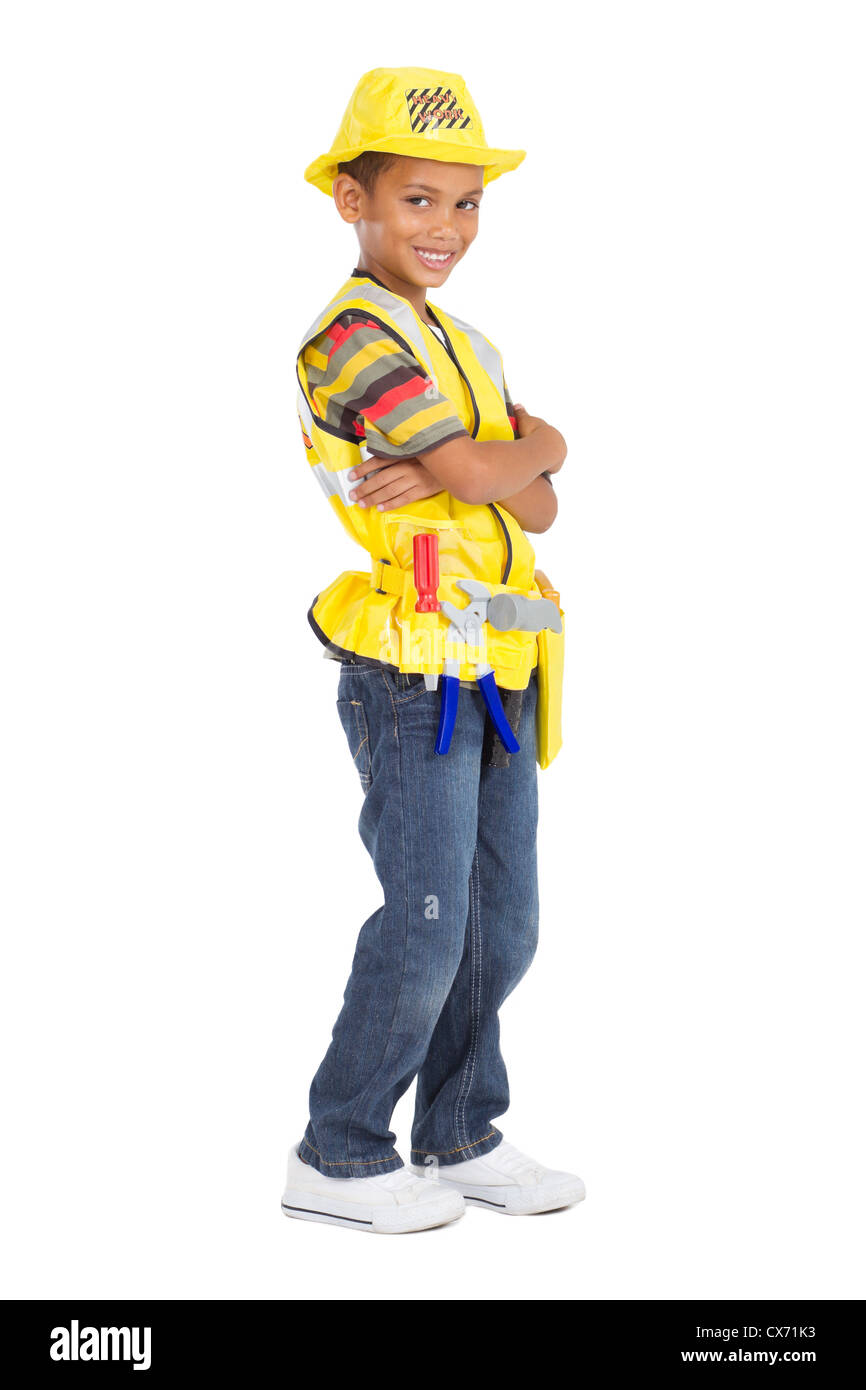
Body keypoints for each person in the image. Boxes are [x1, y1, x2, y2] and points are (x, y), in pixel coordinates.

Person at [282, 66, 585, 1234]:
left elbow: (544, 500)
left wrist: (533, 442)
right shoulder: (350, 338)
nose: (444, 228)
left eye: (464, 204)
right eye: (416, 200)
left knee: (499, 921)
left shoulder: (462, 341)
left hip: (499, 657)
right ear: (351, 200)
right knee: (423, 916)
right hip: (412, 665)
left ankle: (457, 1131)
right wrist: (507, 455)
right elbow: (482, 478)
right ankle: (339, 1149)